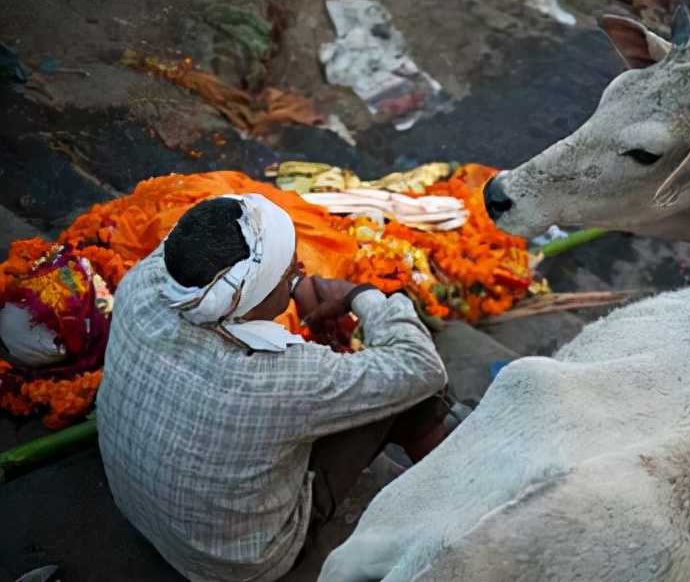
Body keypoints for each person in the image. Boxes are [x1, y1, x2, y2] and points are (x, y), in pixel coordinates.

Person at [96, 193, 450, 582]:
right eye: (289, 270)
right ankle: (452, 507)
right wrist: (360, 295)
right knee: (411, 396)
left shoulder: (142, 285)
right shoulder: (279, 376)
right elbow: (421, 366)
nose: (298, 269)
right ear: (259, 292)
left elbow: (217, 266)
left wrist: (294, 284)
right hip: (241, 565)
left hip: (135, 511)